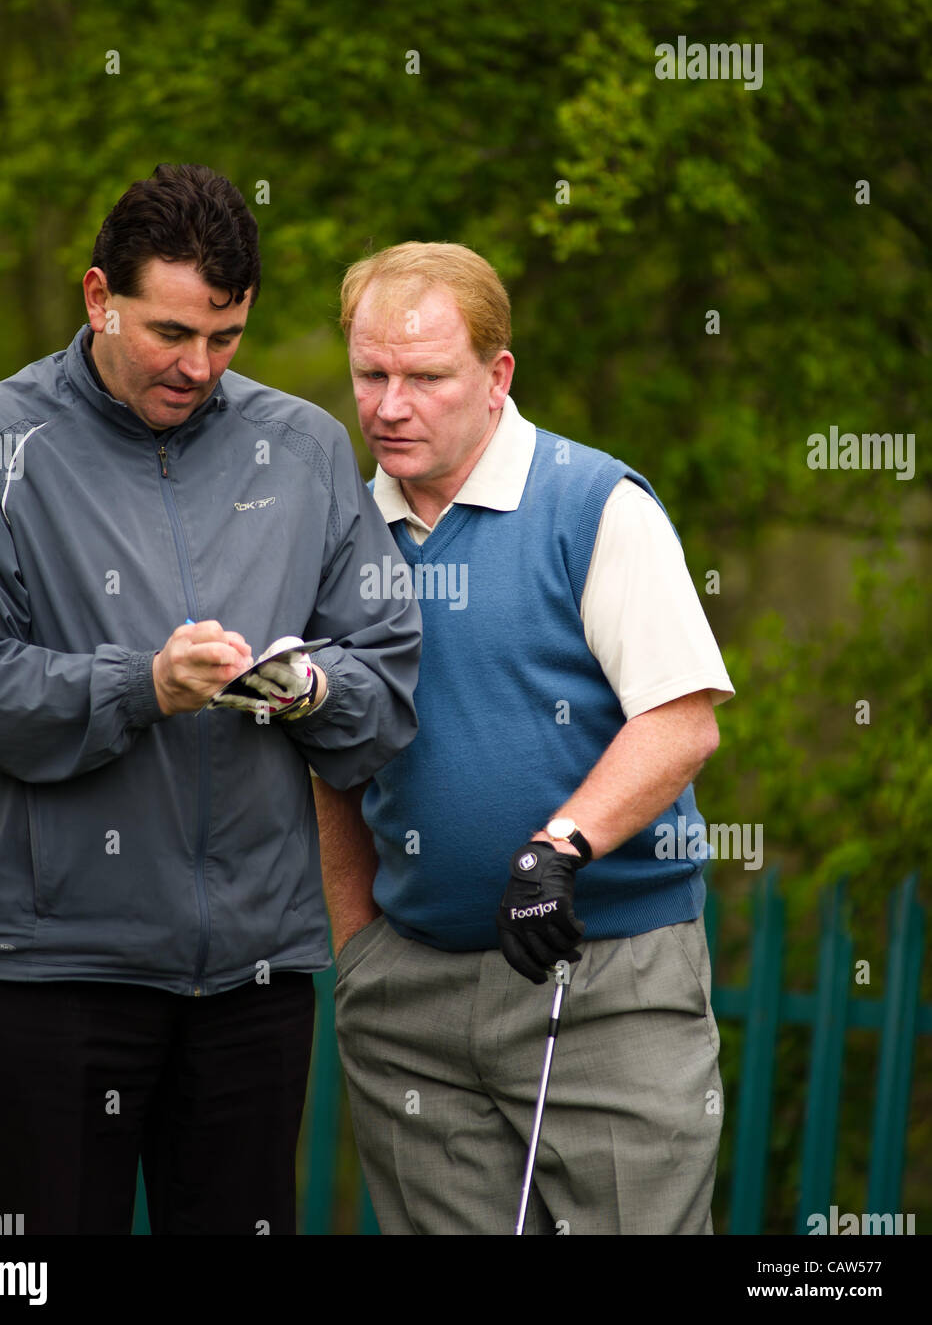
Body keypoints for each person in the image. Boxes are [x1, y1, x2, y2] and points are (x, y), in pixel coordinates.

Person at [0, 164, 420, 1235]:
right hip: (50, 975)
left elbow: (388, 681)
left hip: (254, 975)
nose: (197, 367)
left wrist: (313, 689)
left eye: (225, 338)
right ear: (99, 298)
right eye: (170, 332)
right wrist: (140, 685)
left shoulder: (309, 448)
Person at [315, 241, 735, 1235]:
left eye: (423, 377)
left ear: (496, 376)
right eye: (370, 374)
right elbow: (324, 750)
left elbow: (681, 720)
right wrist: (357, 954)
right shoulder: (336, 537)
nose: (388, 404)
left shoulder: (593, 506)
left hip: (606, 981)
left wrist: (560, 845)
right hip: (407, 997)